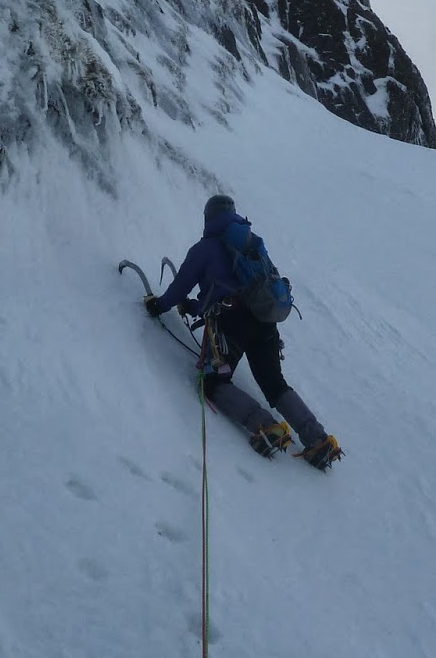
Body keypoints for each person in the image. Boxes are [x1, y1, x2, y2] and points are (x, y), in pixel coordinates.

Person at [146, 194, 342, 470]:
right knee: (274, 384)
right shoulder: (252, 242)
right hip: (265, 320)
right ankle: (318, 439)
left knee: (213, 382)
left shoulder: (205, 249)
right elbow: (236, 288)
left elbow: (183, 286)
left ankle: (265, 427)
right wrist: (193, 307)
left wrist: (159, 305)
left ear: (208, 218)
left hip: (231, 324)